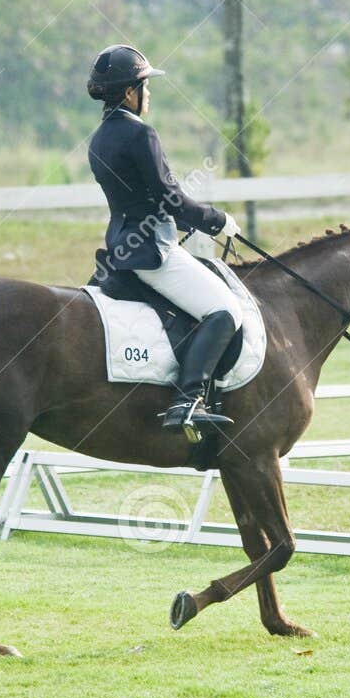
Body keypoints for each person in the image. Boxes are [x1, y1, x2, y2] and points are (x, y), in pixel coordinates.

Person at [86, 44, 243, 440]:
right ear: (128, 92)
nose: (149, 93)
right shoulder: (141, 134)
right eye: (144, 85)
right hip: (152, 251)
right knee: (226, 310)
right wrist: (217, 220)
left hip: (121, 246)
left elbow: (142, 199)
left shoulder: (98, 138)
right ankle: (189, 400)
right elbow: (171, 198)